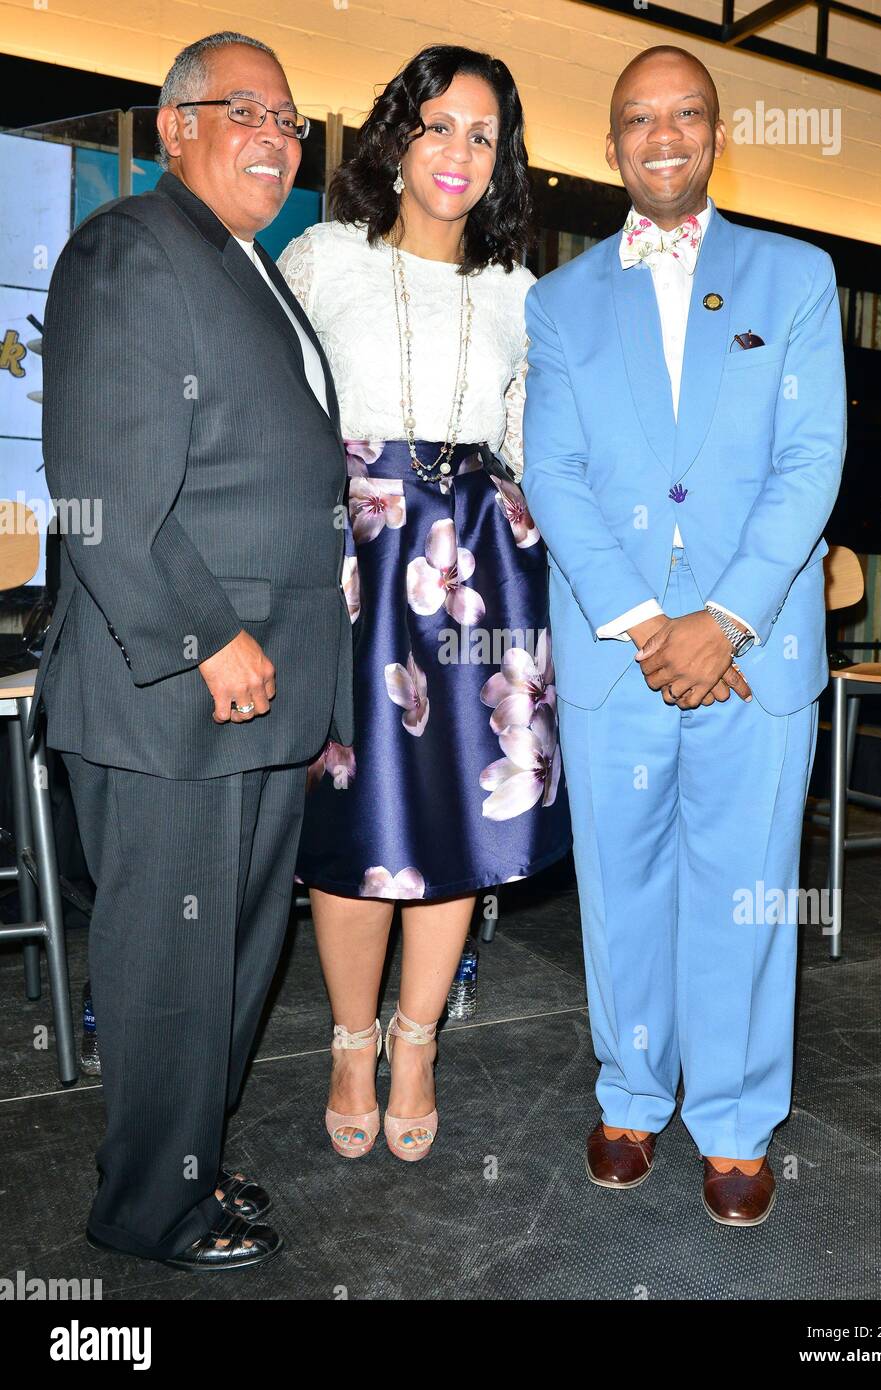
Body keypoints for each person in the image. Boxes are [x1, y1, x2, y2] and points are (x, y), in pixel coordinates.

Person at [33, 30, 352, 1268]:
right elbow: (102, 486)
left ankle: (189, 1170)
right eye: (246, 112)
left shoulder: (242, 265)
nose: (276, 136)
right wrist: (209, 637)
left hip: (261, 691)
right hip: (178, 687)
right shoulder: (130, 248)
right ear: (174, 127)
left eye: (290, 120)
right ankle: (149, 1209)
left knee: (229, 957)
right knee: (174, 968)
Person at [522, 46, 846, 1225]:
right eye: (637, 119)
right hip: (619, 653)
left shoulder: (798, 275)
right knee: (622, 888)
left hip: (756, 652)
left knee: (747, 888)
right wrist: (651, 624)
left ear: (716, 134)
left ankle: (740, 1121)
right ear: (611, 145)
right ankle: (629, 1091)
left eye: (686, 115)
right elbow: (552, 471)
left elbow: (813, 464)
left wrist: (726, 619)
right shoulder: (556, 301)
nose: (663, 135)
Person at [277, 44, 570, 1164]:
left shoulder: (518, 292)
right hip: (349, 561)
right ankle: (350, 1040)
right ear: (398, 137)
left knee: (456, 815)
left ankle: (416, 1042)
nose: (457, 152)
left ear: (502, 164)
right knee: (354, 824)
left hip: (479, 568)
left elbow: (537, 447)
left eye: (482, 136)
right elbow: (281, 422)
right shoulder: (321, 257)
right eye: (438, 125)